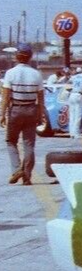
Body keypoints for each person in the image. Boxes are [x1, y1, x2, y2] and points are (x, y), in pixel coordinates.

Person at [2, 43, 45, 184]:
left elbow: (6, 96)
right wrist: (40, 115)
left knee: (11, 141)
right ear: (30, 57)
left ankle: (16, 169)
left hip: (16, 110)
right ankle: (27, 176)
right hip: (31, 110)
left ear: (16, 56)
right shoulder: (36, 74)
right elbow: (41, 98)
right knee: (29, 144)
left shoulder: (10, 73)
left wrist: (2, 114)